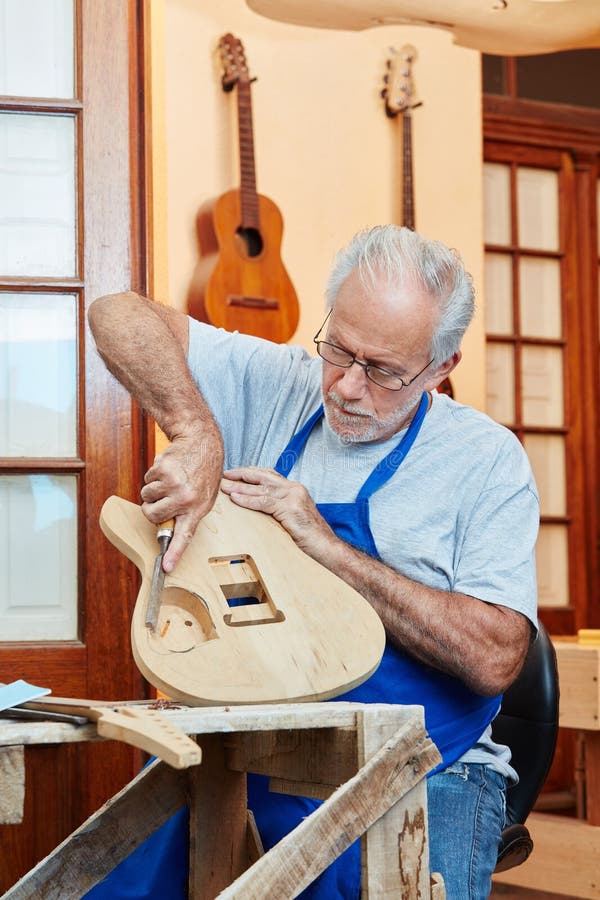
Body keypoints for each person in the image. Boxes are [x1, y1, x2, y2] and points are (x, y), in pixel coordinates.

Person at [87, 225, 538, 900]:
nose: (349, 387)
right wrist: (195, 429)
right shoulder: (283, 385)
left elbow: (497, 657)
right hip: (267, 746)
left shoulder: (486, 462)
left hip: (434, 764)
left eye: (384, 371)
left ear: (441, 367)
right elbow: (115, 312)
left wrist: (325, 545)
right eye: (338, 349)